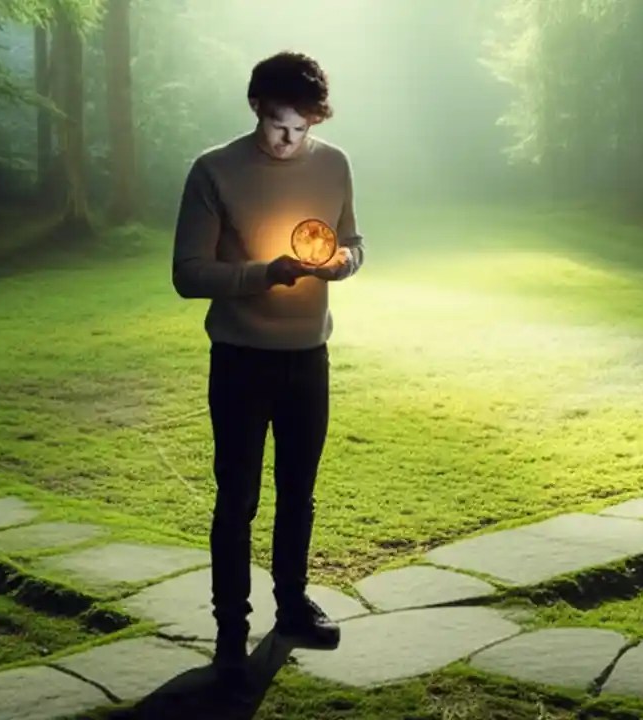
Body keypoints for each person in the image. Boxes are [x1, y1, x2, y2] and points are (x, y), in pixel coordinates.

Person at [171, 50, 364, 691]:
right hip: (240, 360)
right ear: (256, 106)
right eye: (282, 126)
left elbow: (354, 240)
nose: (292, 141)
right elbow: (187, 274)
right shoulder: (213, 171)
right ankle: (231, 631)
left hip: (308, 358)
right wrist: (263, 275)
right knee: (237, 499)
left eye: (303, 129)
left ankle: (292, 610)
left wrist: (343, 262)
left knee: (298, 495)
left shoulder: (334, 164)